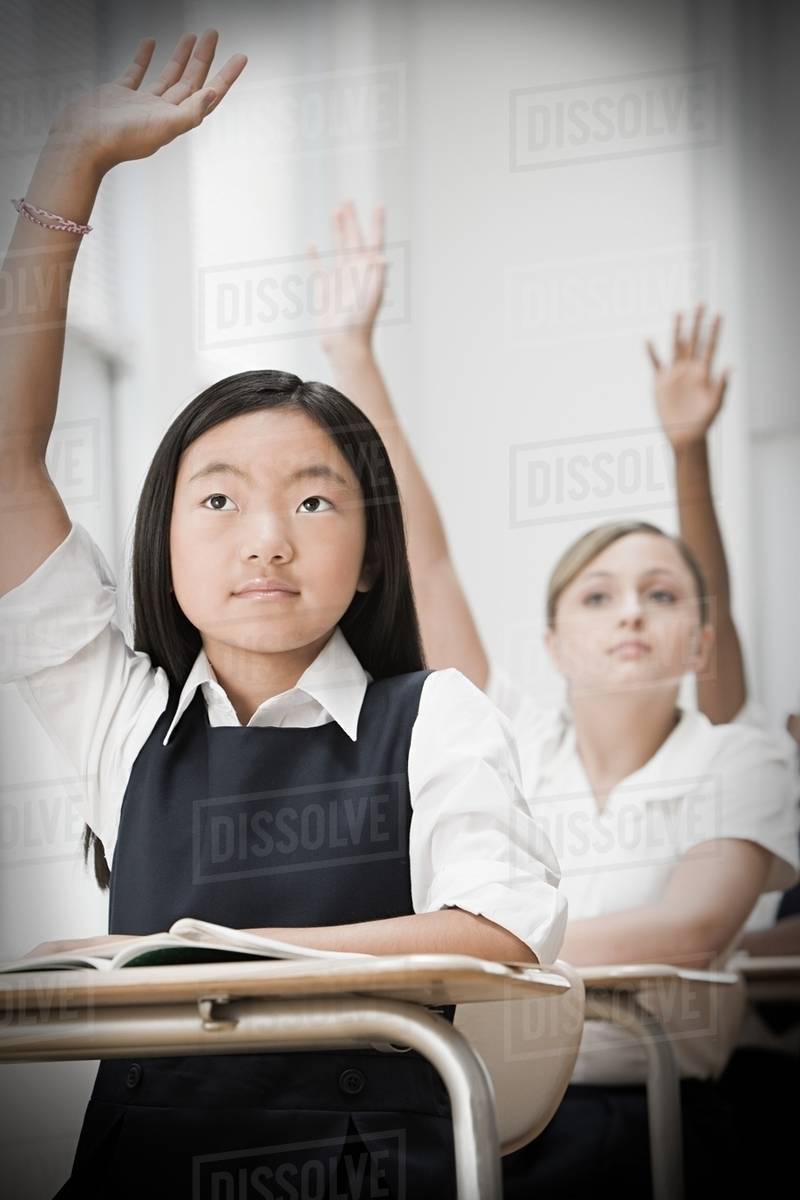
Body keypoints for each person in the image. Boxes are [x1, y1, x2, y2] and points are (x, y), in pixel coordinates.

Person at [0, 34, 566, 1200]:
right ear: (165, 540)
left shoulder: (436, 720)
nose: (265, 536)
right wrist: (69, 166)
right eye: (219, 500)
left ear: (367, 561)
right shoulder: (124, 717)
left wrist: (186, 957)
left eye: (314, 501)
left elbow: (491, 933)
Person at [310, 201, 800, 1197]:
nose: (629, 616)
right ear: (551, 641)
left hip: (648, 1110)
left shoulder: (736, 756)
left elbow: (686, 931)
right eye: (597, 595)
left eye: (660, 598)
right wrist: (352, 354)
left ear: (697, 639)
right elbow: (427, 557)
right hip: (482, 1106)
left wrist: (482, 942)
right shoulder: (507, 742)